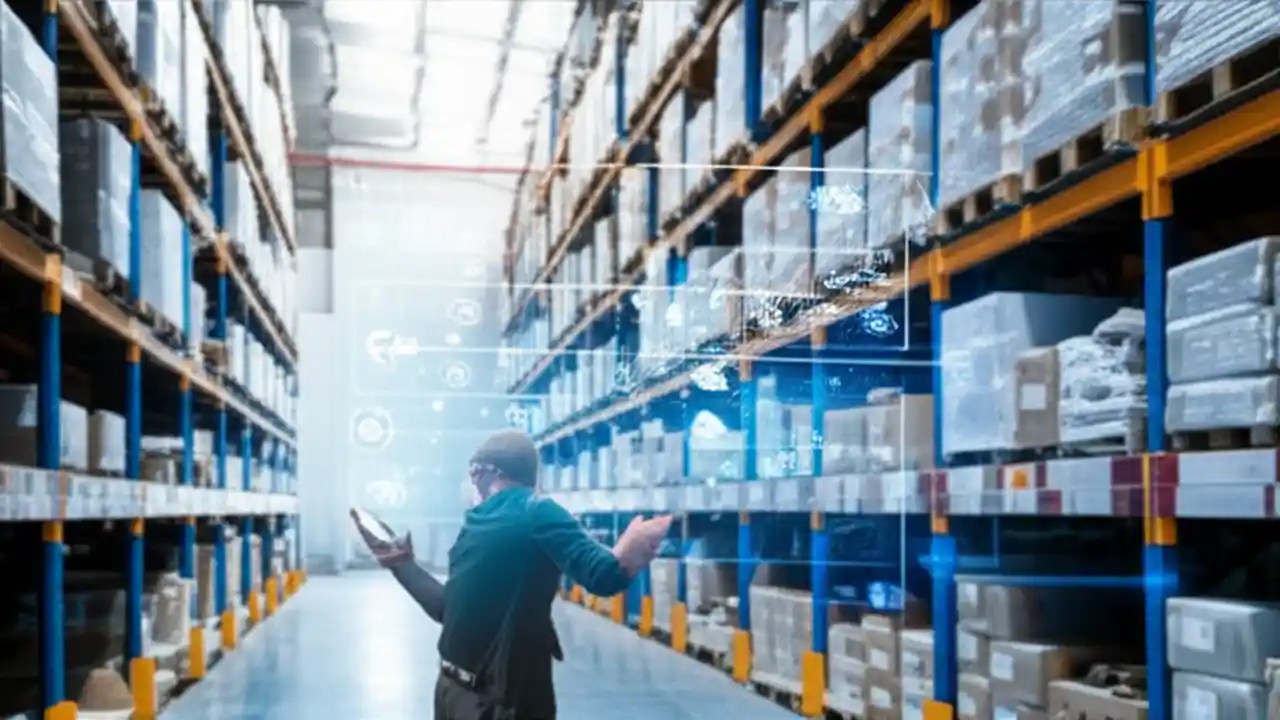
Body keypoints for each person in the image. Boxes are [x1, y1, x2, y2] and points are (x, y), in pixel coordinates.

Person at [352, 429, 671, 720]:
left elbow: (604, 576)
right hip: (455, 691)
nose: (471, 481)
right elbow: (446, 610)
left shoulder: (536, 512)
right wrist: (400, 562)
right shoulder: (478, 522)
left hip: (498, 702)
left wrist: (630, 551)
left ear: (489, 472)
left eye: (474, 471)